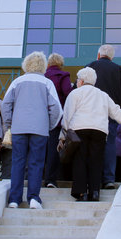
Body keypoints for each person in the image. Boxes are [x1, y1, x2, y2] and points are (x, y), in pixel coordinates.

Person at [63, 67, 121, 201]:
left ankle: (81, 192)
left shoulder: (75, 93)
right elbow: (117, 113)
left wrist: (63, 135)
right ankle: (94, 192)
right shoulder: (103, 95)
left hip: (79, 129)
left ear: (81, 81)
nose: (77, 82)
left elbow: (67, 116)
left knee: (80, 160)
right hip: (99, 130)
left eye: (78, 80)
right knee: (96, 161)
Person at [2, 51, 62, 209]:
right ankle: (34, 198)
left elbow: (6, 104)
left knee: (18, 162)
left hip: (18, 127)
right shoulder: (47, 83)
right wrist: (49, 125)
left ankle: (14, 199)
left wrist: (9, 124)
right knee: (36, 163)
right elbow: (57, 109)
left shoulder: (17, 82)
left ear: (26, 64)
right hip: (39, 129)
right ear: (43, 65)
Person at [87, 44, 121, 189]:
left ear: (98, 55)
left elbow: (79, 88)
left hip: (90, 113)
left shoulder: (90, 67)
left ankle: (92, 179)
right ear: (112, 57)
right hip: (111, 114)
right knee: (110, 144)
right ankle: (108, 179)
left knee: (92, 145)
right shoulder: (119, 70)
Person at [44, 53, 73, 188]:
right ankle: (50, 180)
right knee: (53, 149)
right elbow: (68, 93)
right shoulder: (63, 76)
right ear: (61, 64)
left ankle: (36, 177)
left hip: (41, 118)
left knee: (38, 149)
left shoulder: (42, 76)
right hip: (56, 119)